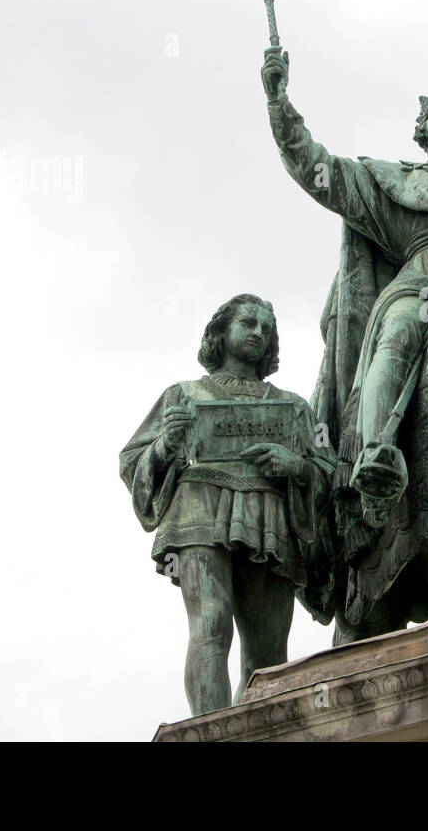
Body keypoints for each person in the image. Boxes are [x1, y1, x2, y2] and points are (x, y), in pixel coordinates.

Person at [261, 48, 428, 535]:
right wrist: (280, 103)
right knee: (400, 330)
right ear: (425, 136)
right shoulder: (394, 181)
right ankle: (375, 454)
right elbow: (320, 170)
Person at [119, 294, 334, 714]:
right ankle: (208, 729)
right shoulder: (182, 395)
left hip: (269, 515)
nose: (258, 332)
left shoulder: (294, 408)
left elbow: (329, 474)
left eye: (265, 329)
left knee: (268, 648)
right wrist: (165, 444)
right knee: (211, 620)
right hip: (199, 508)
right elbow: (132, 463)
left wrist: (298, 466)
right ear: (221, 331)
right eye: (248, 323)